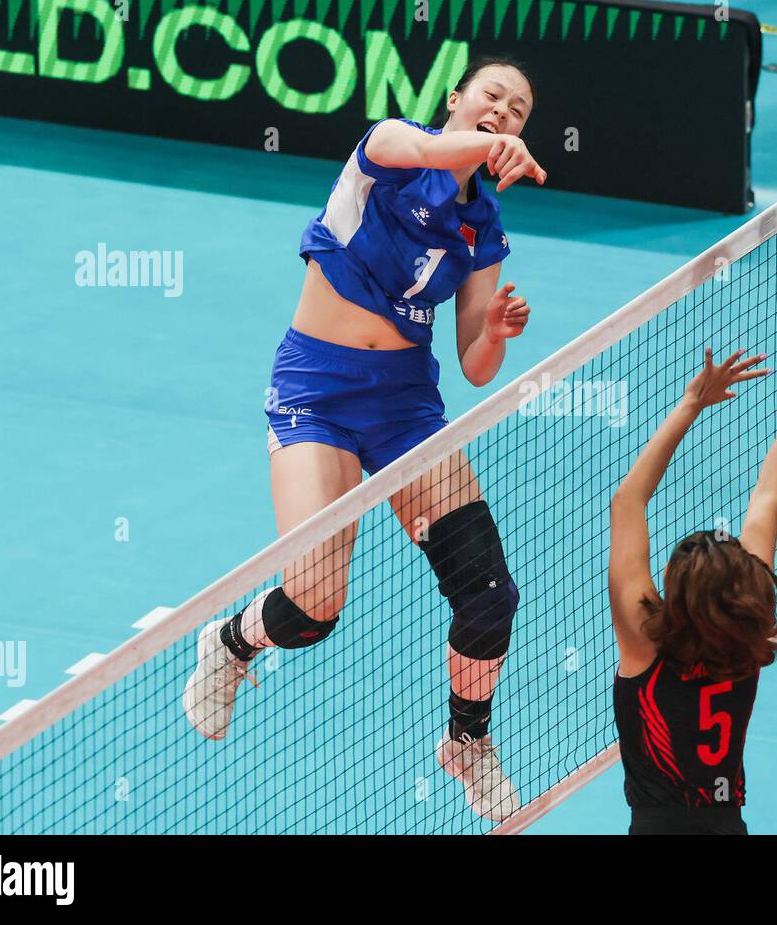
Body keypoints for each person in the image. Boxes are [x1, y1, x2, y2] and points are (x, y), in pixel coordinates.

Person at [182, 57, 547, 823]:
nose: (503, 113)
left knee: (490, 596)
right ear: (456, 99)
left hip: (407, 408)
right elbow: (420, 152)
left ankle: (467, 743)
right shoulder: (388, 147)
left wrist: (499, 333)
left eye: (517, 111)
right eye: (492, 98)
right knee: (314, 604)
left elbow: (477, 366)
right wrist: (480, 149)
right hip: (317, 391)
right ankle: (233, 644)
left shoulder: (484, 227)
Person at [608, 321, 777, 834]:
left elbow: (628, 501)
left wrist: (691, 404)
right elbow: (768, 499)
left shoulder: (644, 643)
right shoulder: (748, 634)